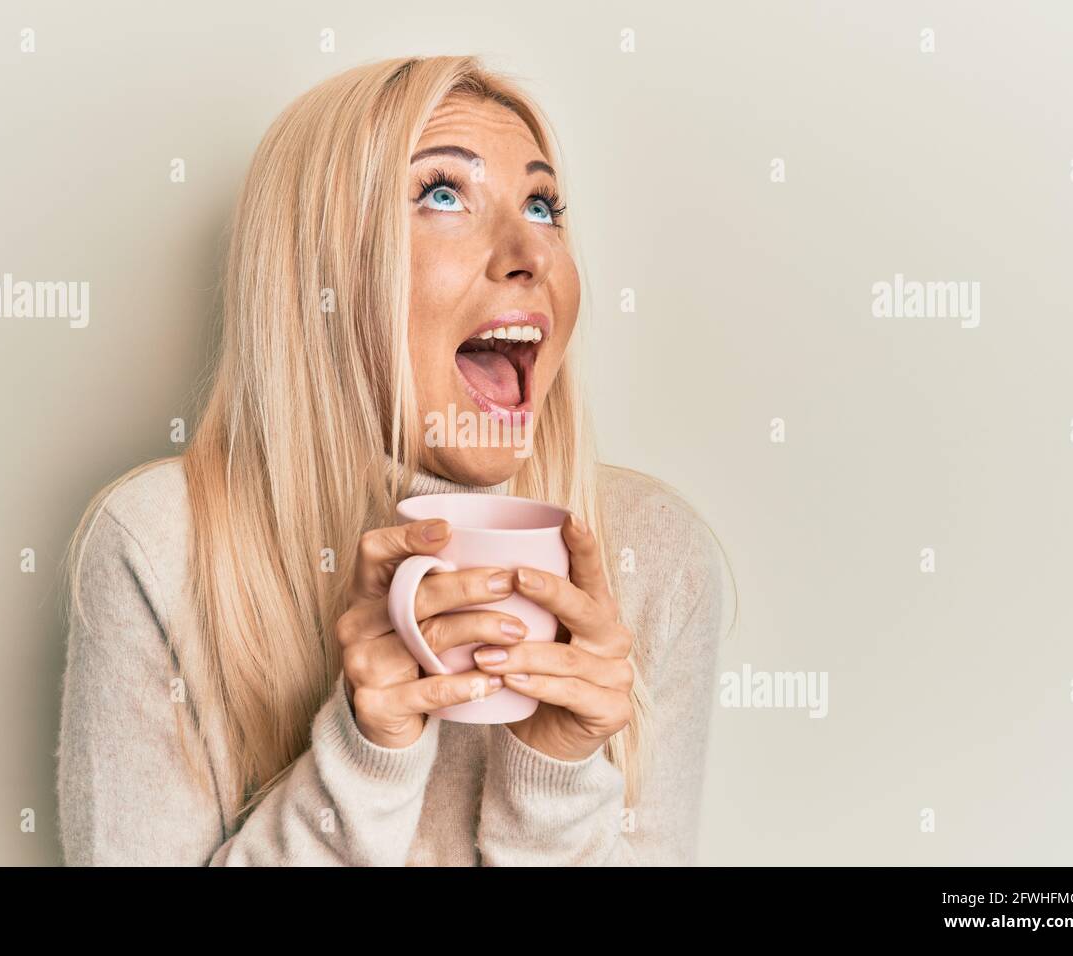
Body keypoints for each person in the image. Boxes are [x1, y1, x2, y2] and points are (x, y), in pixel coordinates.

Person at [56, 54, 736, 866]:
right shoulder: (161, 544)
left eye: (544, 205)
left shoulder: (654, 553)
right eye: (443, 195)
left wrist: (555, 780)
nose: (529, 253)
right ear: (322, 273)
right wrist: (365, 758)